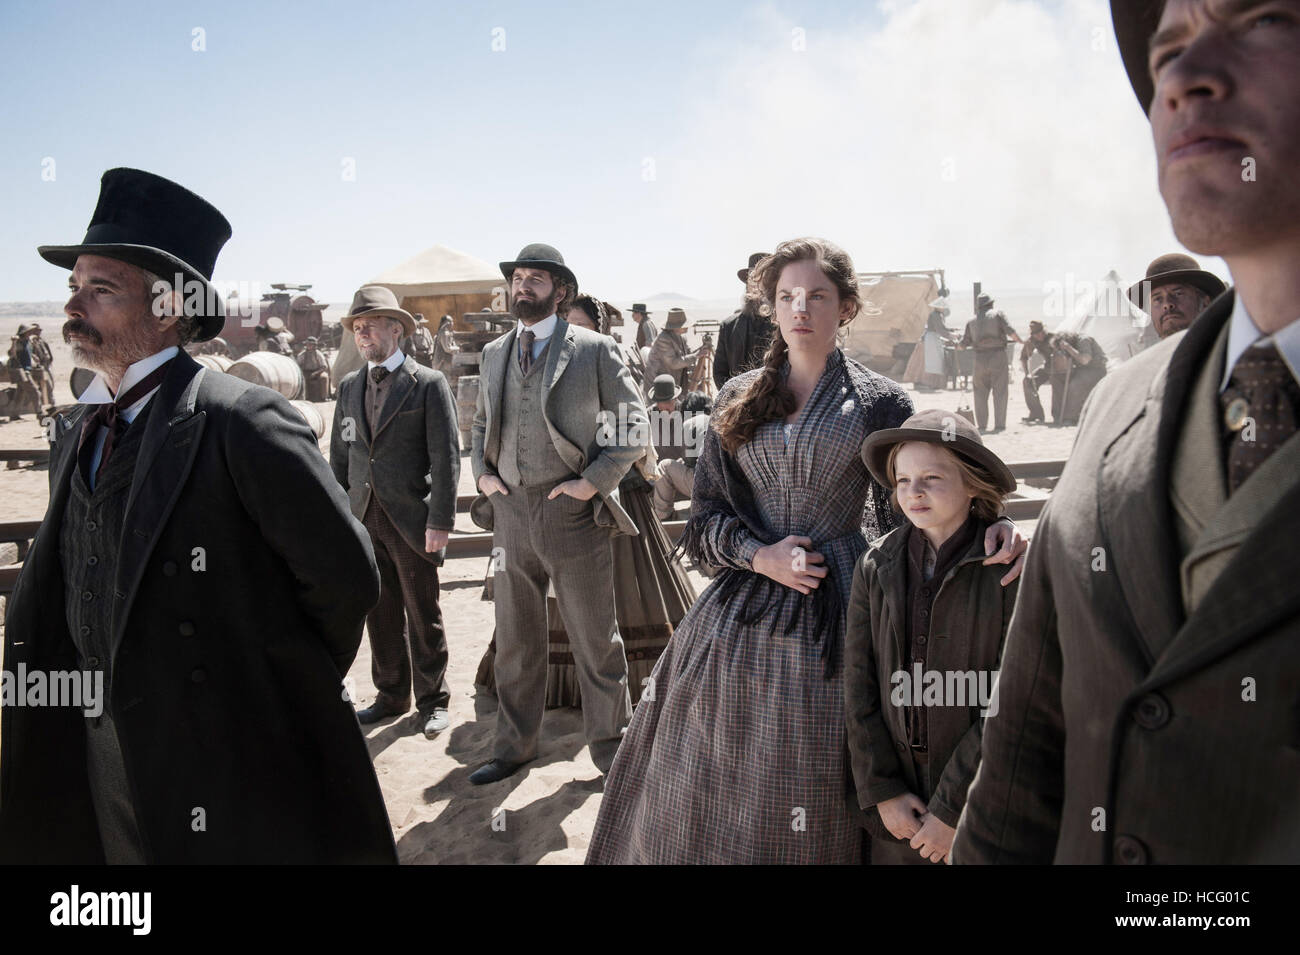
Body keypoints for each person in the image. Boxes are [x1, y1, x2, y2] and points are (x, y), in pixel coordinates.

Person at [954, 0, 1300, 865]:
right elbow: (1024, 752)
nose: (1181, 76)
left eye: (1261, 18)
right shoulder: (1116, 404)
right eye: (1168, 45)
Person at [587, 237, 1026, 864]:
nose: (801, 309)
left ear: (845, 307)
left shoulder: (880, 401)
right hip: (740, 616)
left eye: (818, 296)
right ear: (771, 306)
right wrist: (760, 555)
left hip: (847, 603)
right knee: (713, 771)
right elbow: (707, 518)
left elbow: (923, 491)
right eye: (787, 296)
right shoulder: (738, 395)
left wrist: (996, 523)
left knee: (831, 753)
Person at [0, 167, 395, 864]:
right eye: (74, 287)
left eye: (101, 289)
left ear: (169, 310)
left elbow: (346, 578)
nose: (75, 307)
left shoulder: (240, 420)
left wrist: (258, 681)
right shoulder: (78, 431)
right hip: (96, 751)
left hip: (217, 759)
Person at [467, 243, 647, 785]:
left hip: (571, 513)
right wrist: (483, 475)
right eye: (517, 278)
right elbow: (478, 425)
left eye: (535, 279)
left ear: (560, 291)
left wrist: (590, 484)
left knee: (595, 638)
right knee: (516, 638)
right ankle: (514, 747)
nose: (522, 287)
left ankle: (611, 749)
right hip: (510, 513)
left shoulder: (593, 350)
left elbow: (633, 427)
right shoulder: (495, 351)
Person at [475, 295, 696, 708]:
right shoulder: (541, 362)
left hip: (614, 487)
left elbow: (630, 425)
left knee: (623, 589)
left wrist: (595, 475)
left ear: (597, 329)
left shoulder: (607, 360)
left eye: (578, 324)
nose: (568, 331)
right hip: (552, 500)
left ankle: (620, 695)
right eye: (564, 322)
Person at [845, 409, 1019, 864]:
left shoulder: (1007, 572)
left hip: (983, 798)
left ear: (973, 484)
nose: (913, 492)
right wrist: (882, 790)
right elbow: (858, 686)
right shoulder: (874, 565)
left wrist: (953, 807)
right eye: (903, 480)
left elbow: (1012, 698)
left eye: (932, 478)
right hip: (899, 801)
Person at [330, 285, 461, 740]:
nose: (363, 334)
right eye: (357, 327)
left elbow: (446, 458)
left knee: (422, 611)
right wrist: (341, 518)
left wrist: (441, 522)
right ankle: (390, 695)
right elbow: (340, 460)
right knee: (378, 612)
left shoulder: (428, 384)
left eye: (370, 325)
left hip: (412, 520)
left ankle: (433, 701)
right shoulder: (349, 387)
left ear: (397, 328)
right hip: (363, 518)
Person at [1128, 252, 1227, 340]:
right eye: (1157, 299)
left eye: (1177, 294)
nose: (1167, 304)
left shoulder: (1227, 349)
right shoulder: (1150, 360)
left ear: (1205, 302)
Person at [714, 252, 775, 389]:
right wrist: (734, 401)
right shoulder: (729, 326)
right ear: (747, 284)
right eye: (754, 280)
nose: (758, 286)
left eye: (763, 280)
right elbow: (719, 372)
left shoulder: (784, 325)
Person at [960, 299, 1022, 433]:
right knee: (1000, 391)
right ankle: (999, 425)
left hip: (979, 359)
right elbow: (1010, 331)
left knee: (980, 393)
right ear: (990, 304)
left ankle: (982, 425)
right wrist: (1021, 341)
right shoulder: (998, 314)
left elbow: (963, 343)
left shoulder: (971, 321)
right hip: (997, 356)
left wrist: (957, 346)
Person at [1053, 331, 1108, 426]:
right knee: (1057, 380)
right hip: (1082, 370)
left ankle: (1071, 418)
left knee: (1075, 385)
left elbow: (1084, 360)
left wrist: (1068, 348)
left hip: (1095, 369)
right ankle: (1058, 416)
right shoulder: (1072, 345)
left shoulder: (1083, 340)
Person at [643, 307, 699, 397]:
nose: (687, 327)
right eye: (684, 325)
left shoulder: (681, 337)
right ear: (676, 327)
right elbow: (674, 363)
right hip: (658, 384)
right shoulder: (663, 339)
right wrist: (696, 356)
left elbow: (687, 354)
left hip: (674, 381)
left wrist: (699, 352)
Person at [902, 297, 953, 392]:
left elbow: (941, 328)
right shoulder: (935, 315)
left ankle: (928, 383)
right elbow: (940, 329)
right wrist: (951, 336)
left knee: (930, 362)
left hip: (932, 338)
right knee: (931, 362)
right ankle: (926, 383)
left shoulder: (937, 315)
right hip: (931, 339)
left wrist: (950, 331)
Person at [1019, 320, 1061, 424]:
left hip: (1059, 369)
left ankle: (1058, 415)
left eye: (1041, 332)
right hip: (1047, 368)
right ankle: (1036, 414)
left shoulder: (1054, 338)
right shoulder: (1031, 341)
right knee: (1028, 382)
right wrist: (1026, 373)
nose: (1040, 335)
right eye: (1036, 334)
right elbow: (1023, 357)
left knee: (1057, 384)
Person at [6, 324, 40, 420]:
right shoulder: (19, 343)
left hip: (27, 370)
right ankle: (39, 412)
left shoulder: (28, 342)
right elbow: (11, 354)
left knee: (20, 394)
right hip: (22, 372)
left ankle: (13, 414)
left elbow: (28, 353)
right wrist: (13, 343)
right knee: (35, 392)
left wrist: (33, 357)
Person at [27, 322, 55, 409]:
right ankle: (48, 405)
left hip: (46, 366)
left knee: (50, 384)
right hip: (39, 367)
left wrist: (50, 360)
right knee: (45, 386)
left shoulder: (41, 341)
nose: (39, 332)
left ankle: (49, 403)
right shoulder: (31, 342)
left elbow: (47, 352)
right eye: (36, 331)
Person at [296, 335, 331, 401]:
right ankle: (305, 397)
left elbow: (324, 366)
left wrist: (315, 373)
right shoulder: (302, 355)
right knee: (302, 379)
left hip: (318, 371)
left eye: (311, 344)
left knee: (324, 377)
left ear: (315, 345)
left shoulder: (318, 354)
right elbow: (297, 366)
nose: (309, 346)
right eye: (308, 344)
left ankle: (324, 397)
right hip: (306, 371)